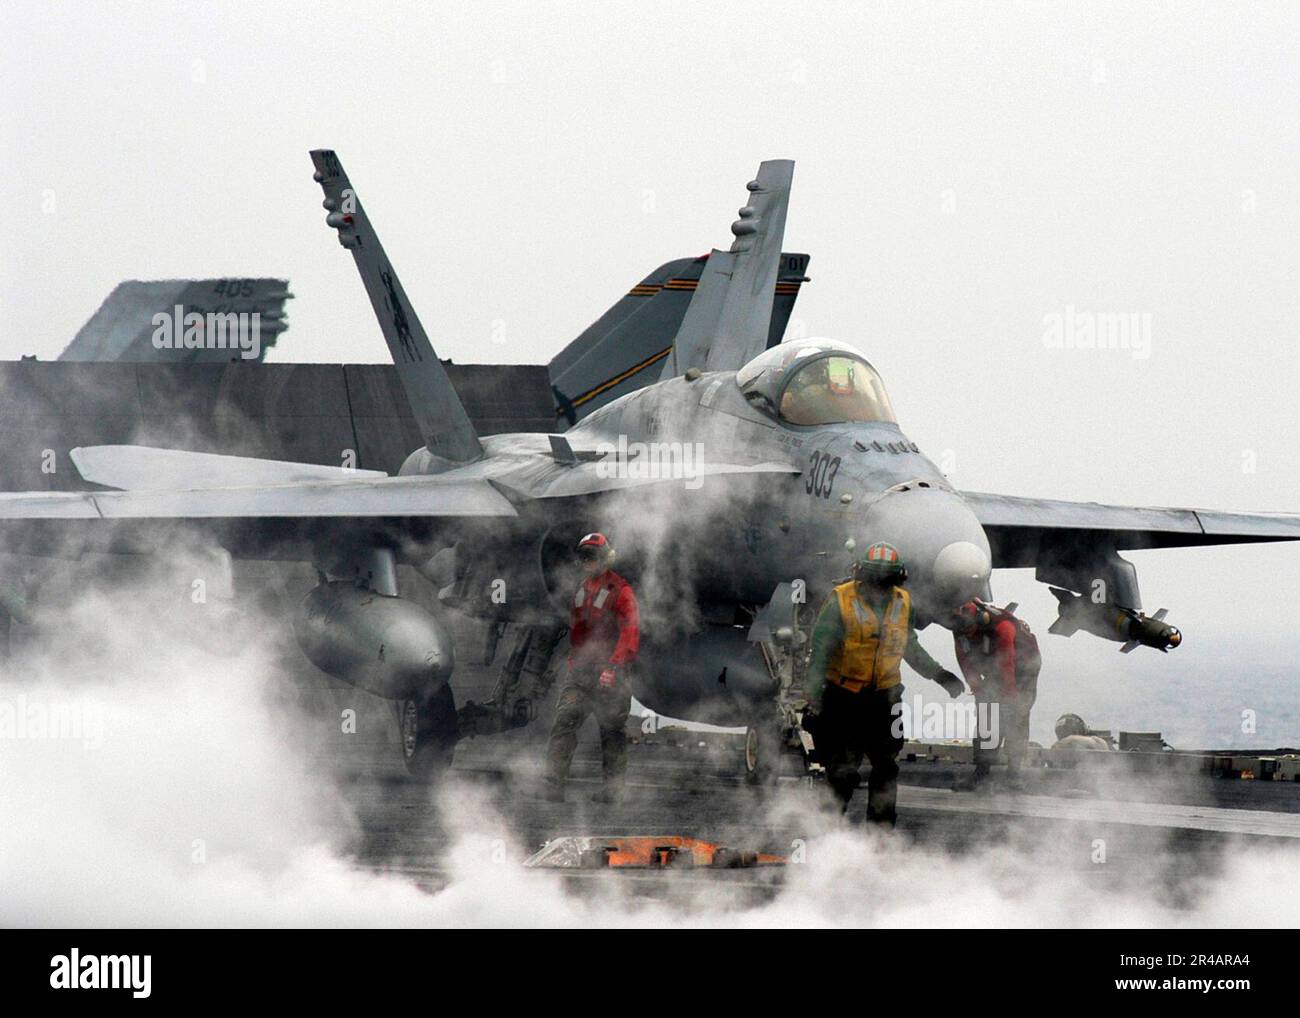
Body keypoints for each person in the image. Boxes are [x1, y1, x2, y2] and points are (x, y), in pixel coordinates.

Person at [804, 542, 965, 823]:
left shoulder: (903, 603)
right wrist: (813, 697)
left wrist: (941, 676)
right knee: (843, 772)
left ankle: (880, 836)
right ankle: (827, 831)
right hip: (844, 698)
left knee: (886, 768)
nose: (879, 586)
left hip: (885, 700)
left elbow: (909, 646)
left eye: (885, 579)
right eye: (874, 579)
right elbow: (821, 650)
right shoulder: (840, 601)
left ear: (896, 578)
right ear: (861, 576)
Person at [542, 532, 640, 803]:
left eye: (592, 556)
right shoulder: (583, 589)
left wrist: (614, 667)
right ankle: (552, 783)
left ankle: (613, 790)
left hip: (610, 674)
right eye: (584, 555)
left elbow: (629, 633)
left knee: (611, 732)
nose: (587, 561)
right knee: (564, 722)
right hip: (582, 672)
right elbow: (579, 632)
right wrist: (574, 662)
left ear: (605, 558)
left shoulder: (621, 592)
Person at [952, 599, 1041, 789]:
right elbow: (963, 657)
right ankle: (982, 774)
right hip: (995, 664)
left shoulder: (1003, 626)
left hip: (1024, 667)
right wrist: (977, 687)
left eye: (970, 629)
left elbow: (1006, 662)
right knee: (987, 714)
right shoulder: (958, 626)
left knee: (1017, 714)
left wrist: (1011, 696)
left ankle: (1014, 775)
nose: (966, 634)